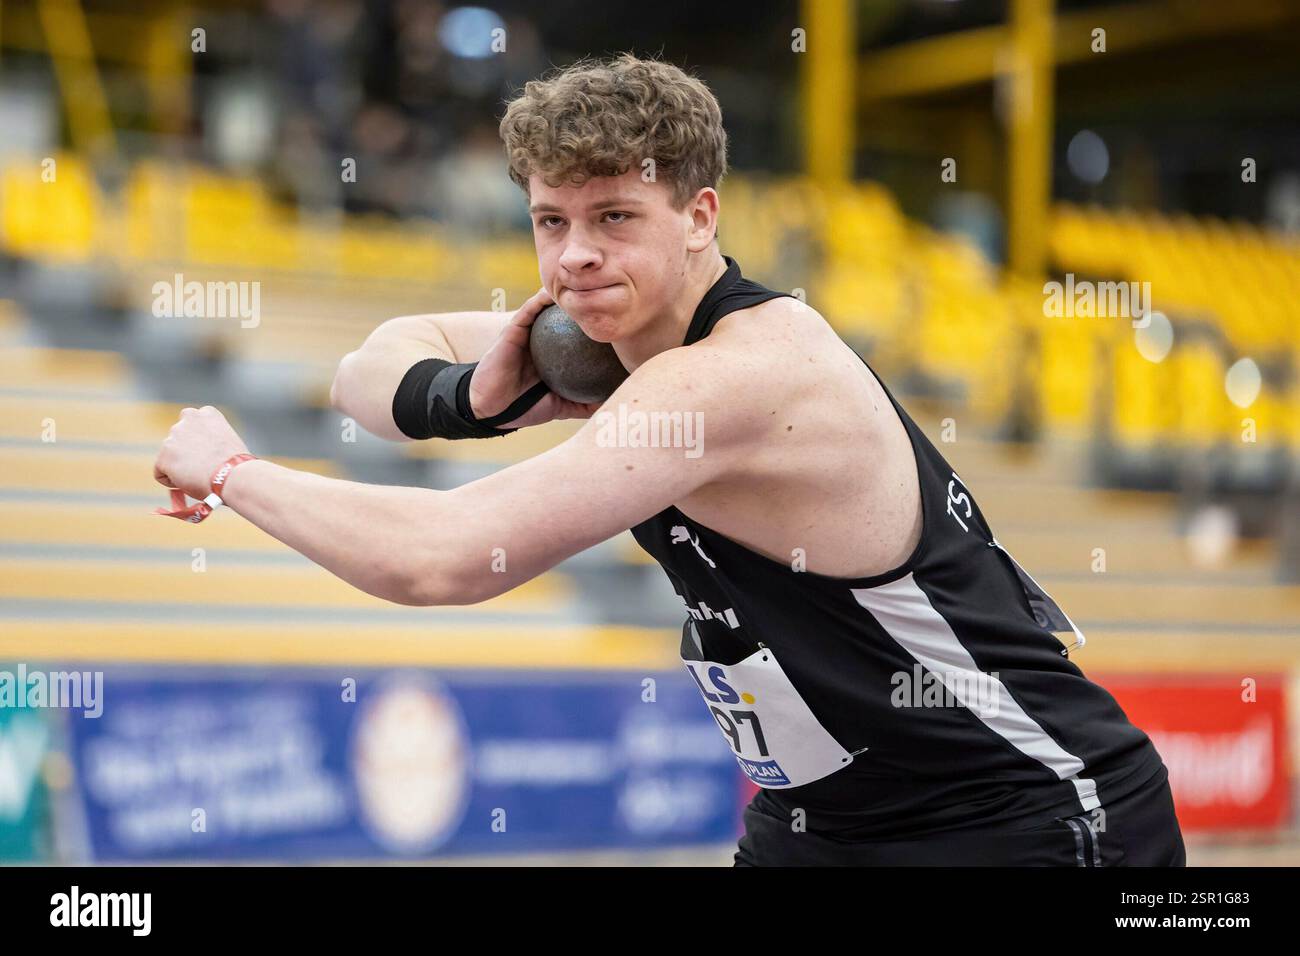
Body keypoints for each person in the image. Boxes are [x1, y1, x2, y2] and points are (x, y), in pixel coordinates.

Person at [152, 53, 1185, 866]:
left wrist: (232, 474)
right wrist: (466, 396)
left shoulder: (736, 375)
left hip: (1023, 813)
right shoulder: (609, 339)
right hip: (822, 824)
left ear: (698, 218)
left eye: (613, 218)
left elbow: (444, 559)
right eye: (550, 221)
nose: (573, 256)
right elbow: (362, 370)